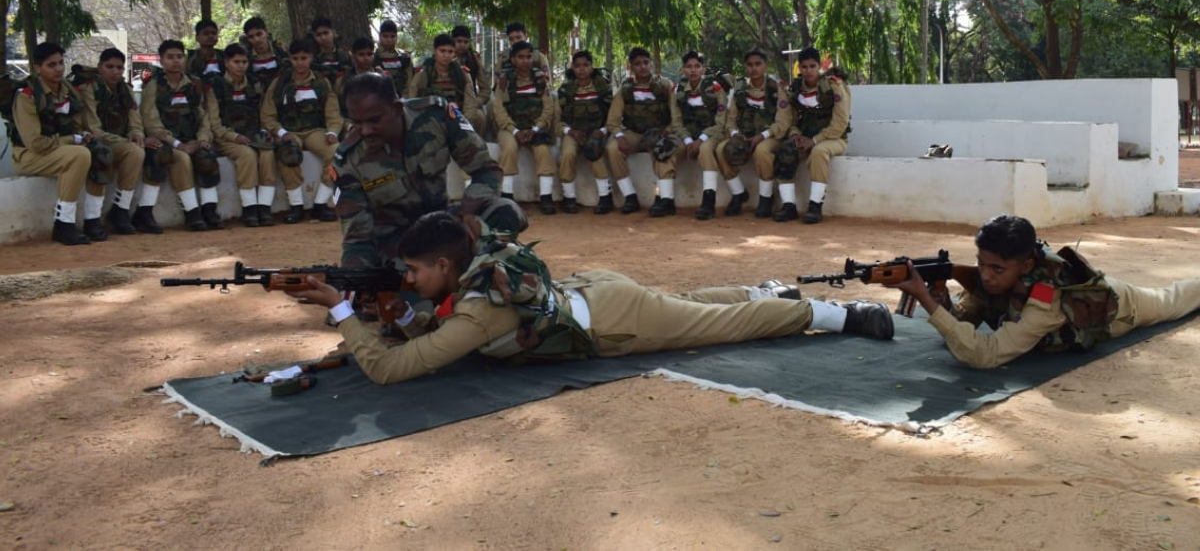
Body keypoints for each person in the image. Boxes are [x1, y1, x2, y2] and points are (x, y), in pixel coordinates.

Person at [284, 211, 895, 385]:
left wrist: (340, 310)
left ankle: (838, 314)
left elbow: (393, 370)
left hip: (615, 320)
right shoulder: (476, 267)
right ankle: (762, 289)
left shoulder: (478, 309)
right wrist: (394, 314)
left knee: (721, 325)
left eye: (415, 272)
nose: (410, 281)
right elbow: (424, 325)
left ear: (445, 266)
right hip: (594, 291)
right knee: (689, 303)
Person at [890, 214, 1200, 370]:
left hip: (1118, 307)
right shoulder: (997, 276)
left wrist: (927, 302)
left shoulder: (1045, 297)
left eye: (997, 268)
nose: (985, 275)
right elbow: (966, 321)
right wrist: (944, 305)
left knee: (1170, 301)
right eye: (980, 263)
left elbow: (987, 353)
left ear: (1026, 265)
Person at [332, 73, 525, 268]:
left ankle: (485, 271)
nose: (365, 131)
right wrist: (354, 280)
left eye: (374, 120)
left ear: (397, 108)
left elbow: (486, 170)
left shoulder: (435, 117)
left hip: (443, 221)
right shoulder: (347, 161)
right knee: (416, 270)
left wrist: (466, 214)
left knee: (505, 210)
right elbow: (358, 240)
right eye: (357, 123)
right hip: (397, 242)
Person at [8, 42, 112, 244]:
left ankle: (92, 221)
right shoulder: (27, 96)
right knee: (79, 154)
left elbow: (75, 125)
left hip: (57, 150)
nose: (58, 69)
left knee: (100, 152)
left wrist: (83, 135)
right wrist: (73, 139)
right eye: (51, 65)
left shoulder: (68, 91)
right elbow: (35, 143)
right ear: (37, 68)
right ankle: (64, 224)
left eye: (61, 63)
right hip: (29, 156)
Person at [140, 39, 224, 231]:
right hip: (167, 141)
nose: (175, 61)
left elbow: (203, 116)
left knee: (206, 156)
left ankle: (209, 210)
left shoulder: (194, 84)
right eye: (170, 57)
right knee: (182, 159)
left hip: (192, 139)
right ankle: (192, 213)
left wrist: (203, 139)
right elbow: (151, 122)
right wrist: (177, 144)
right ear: (161, 60)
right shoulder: (154, 85)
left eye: (179, 57)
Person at [260, 37, 342, 224]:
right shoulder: (280, 83)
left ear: (311, 58)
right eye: (295, 58)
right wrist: (282, 133)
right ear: (290, 58)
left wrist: (332, 132)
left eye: (304, 58)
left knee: (337, 152)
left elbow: (333, 112)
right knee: (288, 151)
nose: (299, 63)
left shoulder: (321, 82)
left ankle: (321, 203)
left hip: (315, 131)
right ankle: (296, 206)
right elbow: (268, 115)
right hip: (289, 132)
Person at [77, 48, 152, 235]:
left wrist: (136, 133)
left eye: (119, 68)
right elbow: (93, 128)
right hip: (93, 140)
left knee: (137, 152)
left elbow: (135, 120)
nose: (115, 71)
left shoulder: (126, 90)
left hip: (118, 142)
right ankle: (92, 220)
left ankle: (120, 211)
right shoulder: (89, 89)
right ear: (99, 67)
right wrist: (125, 140)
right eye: (109, 67)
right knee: (102, 156)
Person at [204, 43, 278, 227]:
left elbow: (263, 111)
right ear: (226, 63)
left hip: (253, 134)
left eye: (244, 62)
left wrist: (265, 131)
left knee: (268, 154)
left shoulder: (254, 83)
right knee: (247, 155)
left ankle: (264, 207)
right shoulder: (216, 86)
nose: (241, 66)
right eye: (236, 62)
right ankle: (249, 208)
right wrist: (233, 137)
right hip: (226, 137)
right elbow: (214, 123)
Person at [774, 47, 850, 224]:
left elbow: (840, 123)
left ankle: (815, 206)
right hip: (806, 138)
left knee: (819, 152)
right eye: (804, 67)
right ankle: (789, 206)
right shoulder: (796, 89)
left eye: (812, 66)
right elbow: (792, 120)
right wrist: (795, 135)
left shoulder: (833, 86)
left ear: (819, 66)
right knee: (785, 150)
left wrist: (815, 140)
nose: (808, 71)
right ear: (799, 67)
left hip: (834, 139)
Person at [605, 46, 682, 216]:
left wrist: (667, 131)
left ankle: (664, 198)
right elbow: (613, 119)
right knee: (612, 149)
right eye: (637, 63)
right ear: (631, 66)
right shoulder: (626, 89)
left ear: (651, 64)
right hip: (635, 133)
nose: (642, 67)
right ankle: (630, 197)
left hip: (660, 132)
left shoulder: (665, 85)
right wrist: (619, 136)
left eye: (646, 62)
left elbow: (675, 115)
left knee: (663, 150)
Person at [716, 48, 790, 218]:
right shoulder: (740, 88)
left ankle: (766, 198)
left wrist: (762, 136)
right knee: (721, 149)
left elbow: (783, 122)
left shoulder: (776, 88)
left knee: (762, 151)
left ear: (765, 65)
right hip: (744, 136)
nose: (754, 68)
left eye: (758, 64)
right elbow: (731, 118)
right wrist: (735, 134)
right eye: (750, 65)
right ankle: (738, 192)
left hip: (771, 136)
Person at [492, 41, 556, 212]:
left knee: (543, 150)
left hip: (534, 127)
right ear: (513, 60)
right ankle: (507, 197)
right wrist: (515, 131)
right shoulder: (505, 80)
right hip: (509, 128)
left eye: (528, 57)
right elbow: (498, 108)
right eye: (520, 57)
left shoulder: (540, 79)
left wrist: (536, 129)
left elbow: (548, 107)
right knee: (509, 148)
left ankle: (546, 197)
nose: (525, 61)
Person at [673, 51, 730, 221]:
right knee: (665, 148)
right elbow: (676, 122)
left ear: (703, 69)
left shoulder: (716, 89)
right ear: (683, 70)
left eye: (697, 66)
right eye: (689, 66)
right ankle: (665, 199)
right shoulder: (677, 91)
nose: (693, 70)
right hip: (687, 136)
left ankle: (708, 201)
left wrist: (700, 140)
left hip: (712, 134)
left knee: (705, 149)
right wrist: (688, 141)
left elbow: (720, 122)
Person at [555, 49, 614, 214]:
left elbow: (613, 114)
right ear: (572, 68)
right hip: (573, 132)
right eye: (578, 66)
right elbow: (558, 118)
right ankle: (569, 197)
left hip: (597, 131)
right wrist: (570, 131)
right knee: (567, 154)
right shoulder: (565, 89)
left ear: (591, 67)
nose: (582, 69)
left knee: (595, 152)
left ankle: (605, 197)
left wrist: (602, 131)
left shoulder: (602, 87)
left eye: (586, 65)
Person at [408, 33, 484, 134]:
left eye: (450, 52)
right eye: (442, 51)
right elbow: (413, 99)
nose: (446, 55)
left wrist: (465, 123)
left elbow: (469, 102)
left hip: (457, 116)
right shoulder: (423, 73)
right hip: (430, 118)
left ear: (454, 53)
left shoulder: (462, 74)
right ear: (434, 51)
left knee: (479, 117)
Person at [337, 37, 382, 130]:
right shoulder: (343, 80)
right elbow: (337, 110)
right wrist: (348, 126)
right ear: (354, 56)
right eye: (361, 54)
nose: (366, 58)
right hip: (352, 124)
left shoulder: (382, 78)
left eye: (369, 54)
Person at [451, 24, 492, 122]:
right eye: (459, 41)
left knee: (480, 117)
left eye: (466, 42)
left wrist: (477, 102)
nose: (462, 45)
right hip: (449, 101)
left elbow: (485, 88)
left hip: (470, 103)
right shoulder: (445, 57)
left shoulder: (474, 59)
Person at [242, 16, 289, 90]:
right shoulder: (246, 58)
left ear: (266, 32)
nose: (256, 39)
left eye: (259, 34)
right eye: (251, 37)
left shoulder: (281, 51)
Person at [373, 20, 413, 99]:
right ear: (380, 36)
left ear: (397, 36)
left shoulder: (405, 58)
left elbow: (410, 83)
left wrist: (405, 97)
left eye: (392, 36)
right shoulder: (373, 57)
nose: (389, 40)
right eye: (385, 36)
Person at [310, 16, 351, 87]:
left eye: (326, 33)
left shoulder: (346, 55)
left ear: (333, 32)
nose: (323, 38)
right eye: (318, 35)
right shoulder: (311, 58)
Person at [186, 19, 225, 84]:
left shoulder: (224, 56)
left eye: (214, 33)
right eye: (206, 33)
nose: (211, 36)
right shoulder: (189, 59)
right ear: (197, 37)